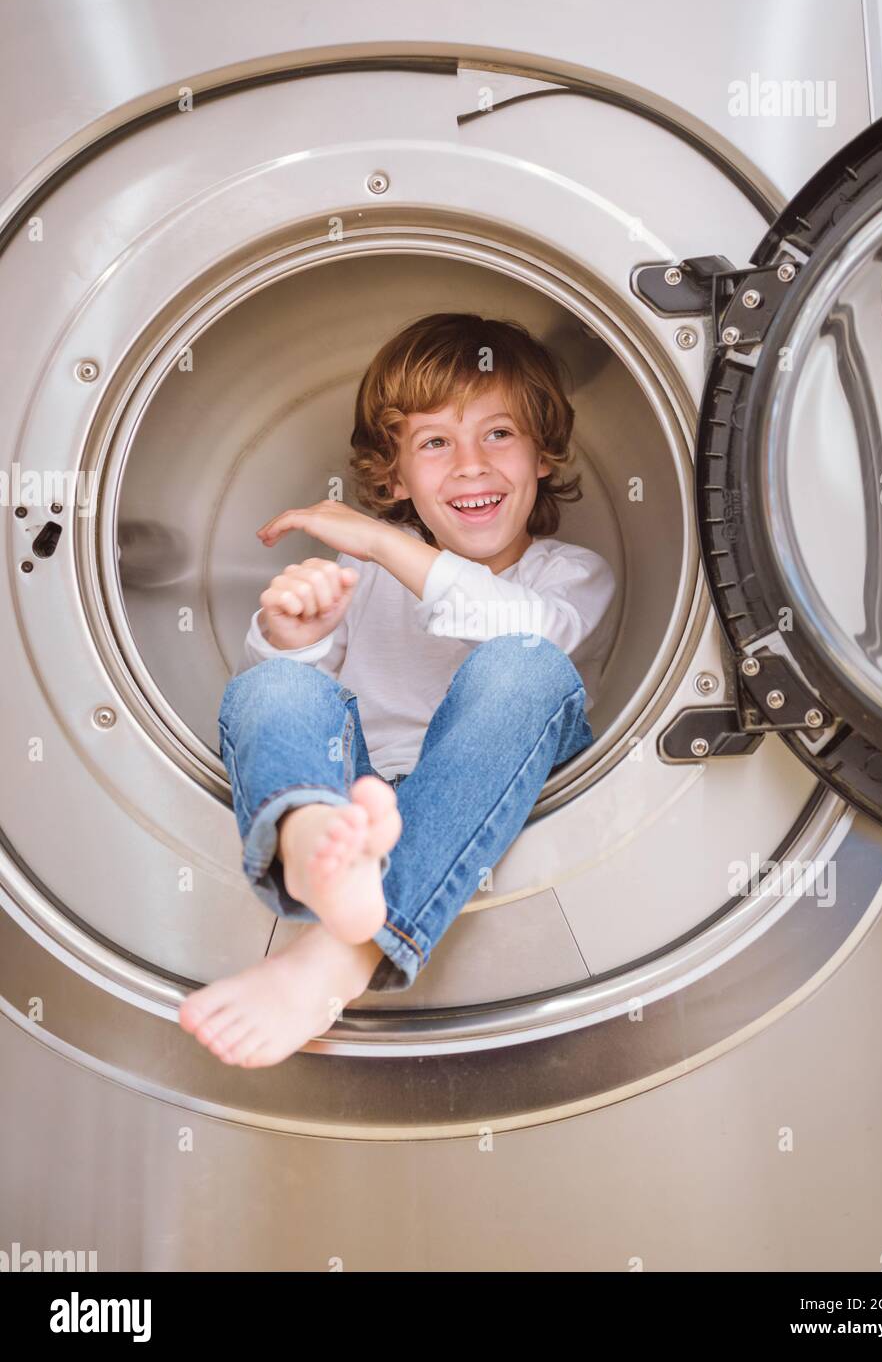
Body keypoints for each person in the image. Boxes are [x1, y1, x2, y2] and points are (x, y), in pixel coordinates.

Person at [179, 313, 617, 1067]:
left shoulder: (567, 573)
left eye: (499, 434)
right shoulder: (369, 581)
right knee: (269, 689)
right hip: (356, 801)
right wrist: (296, 635)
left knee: (524, 665)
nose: (471, 465)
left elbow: (523, 631)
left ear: (543, 455)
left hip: (496, 797)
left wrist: (384, 540)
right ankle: (313, 837)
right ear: (394, 474)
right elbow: (301, 709)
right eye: (435, 442)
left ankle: (335, 956)